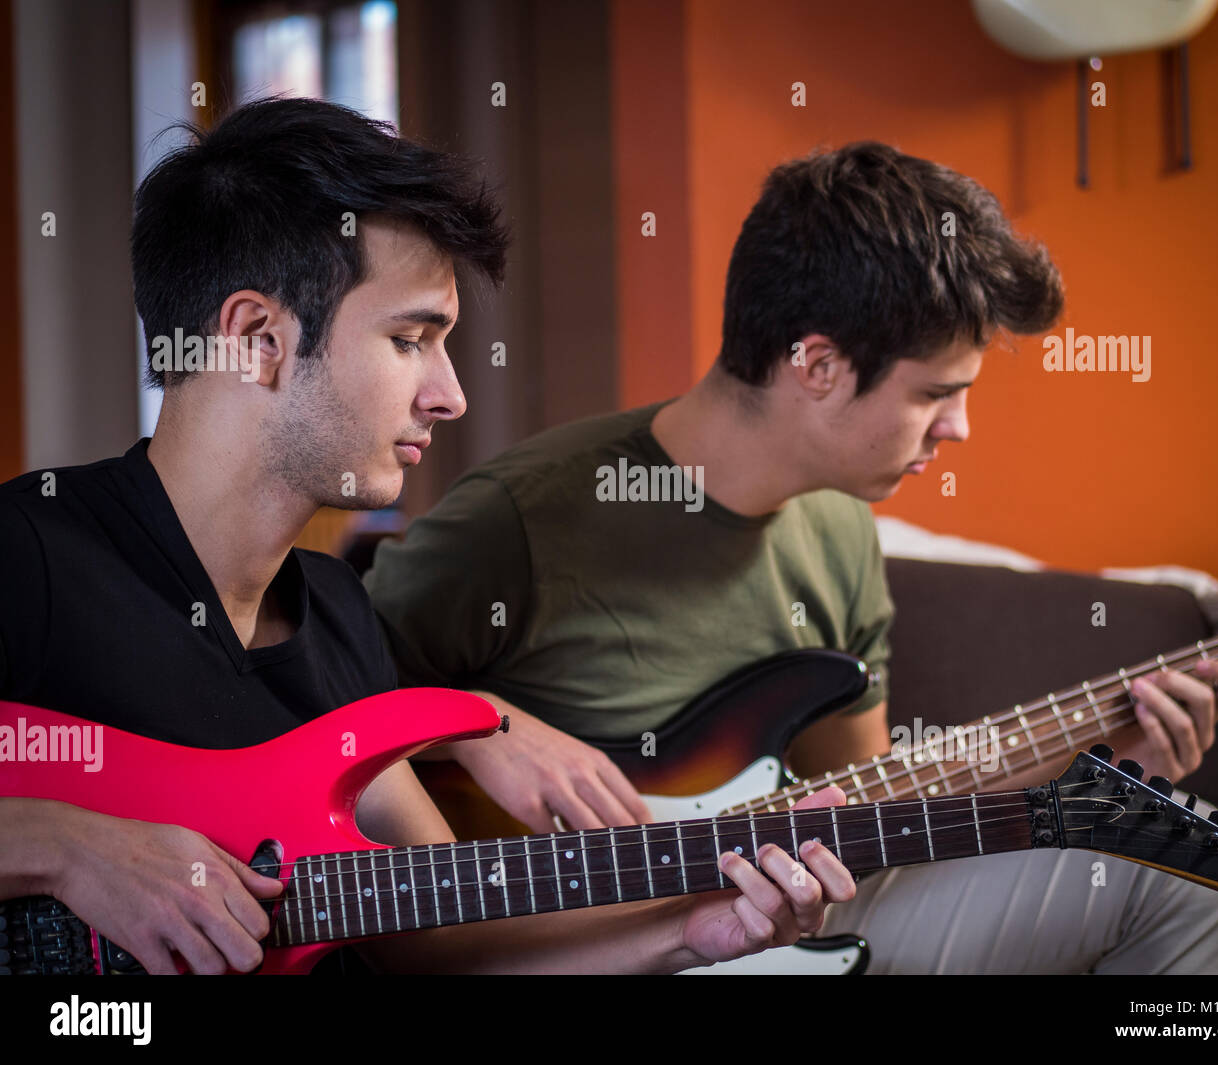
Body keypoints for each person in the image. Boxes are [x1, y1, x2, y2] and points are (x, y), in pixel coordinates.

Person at [0, 97, 856, 975]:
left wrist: (692, 929)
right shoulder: (28, 558)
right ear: (256, 339)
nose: (450, 394)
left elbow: (443, 945)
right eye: (411, 338)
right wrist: (67, 844)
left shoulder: (337, 615)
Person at [364, 140, 1218, 973]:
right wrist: (480, 720)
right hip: (583, 934)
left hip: (784, 908)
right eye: (937, 393)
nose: (959, 428)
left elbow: (864, 800)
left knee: (1185, 865)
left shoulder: (839, 528)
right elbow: (309, 709)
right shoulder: (523, 516)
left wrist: (1096, 766)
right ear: (819, 365)